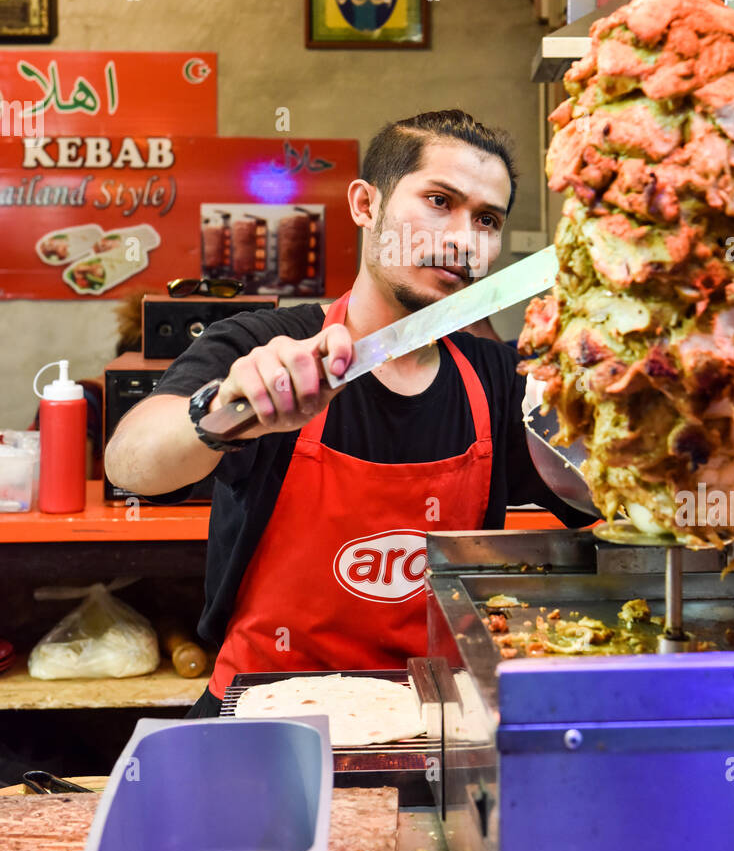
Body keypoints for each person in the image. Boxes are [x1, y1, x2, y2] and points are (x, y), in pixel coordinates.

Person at [104, 110, 591, 717]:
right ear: (365, 203)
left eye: (487, 220)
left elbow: (602, 493)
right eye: (440, 200)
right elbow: (130, 463)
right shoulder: (265, 346)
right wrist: (222, 411)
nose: (466, 241)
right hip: (265, 718)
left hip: (433, 728)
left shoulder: (501, 378)